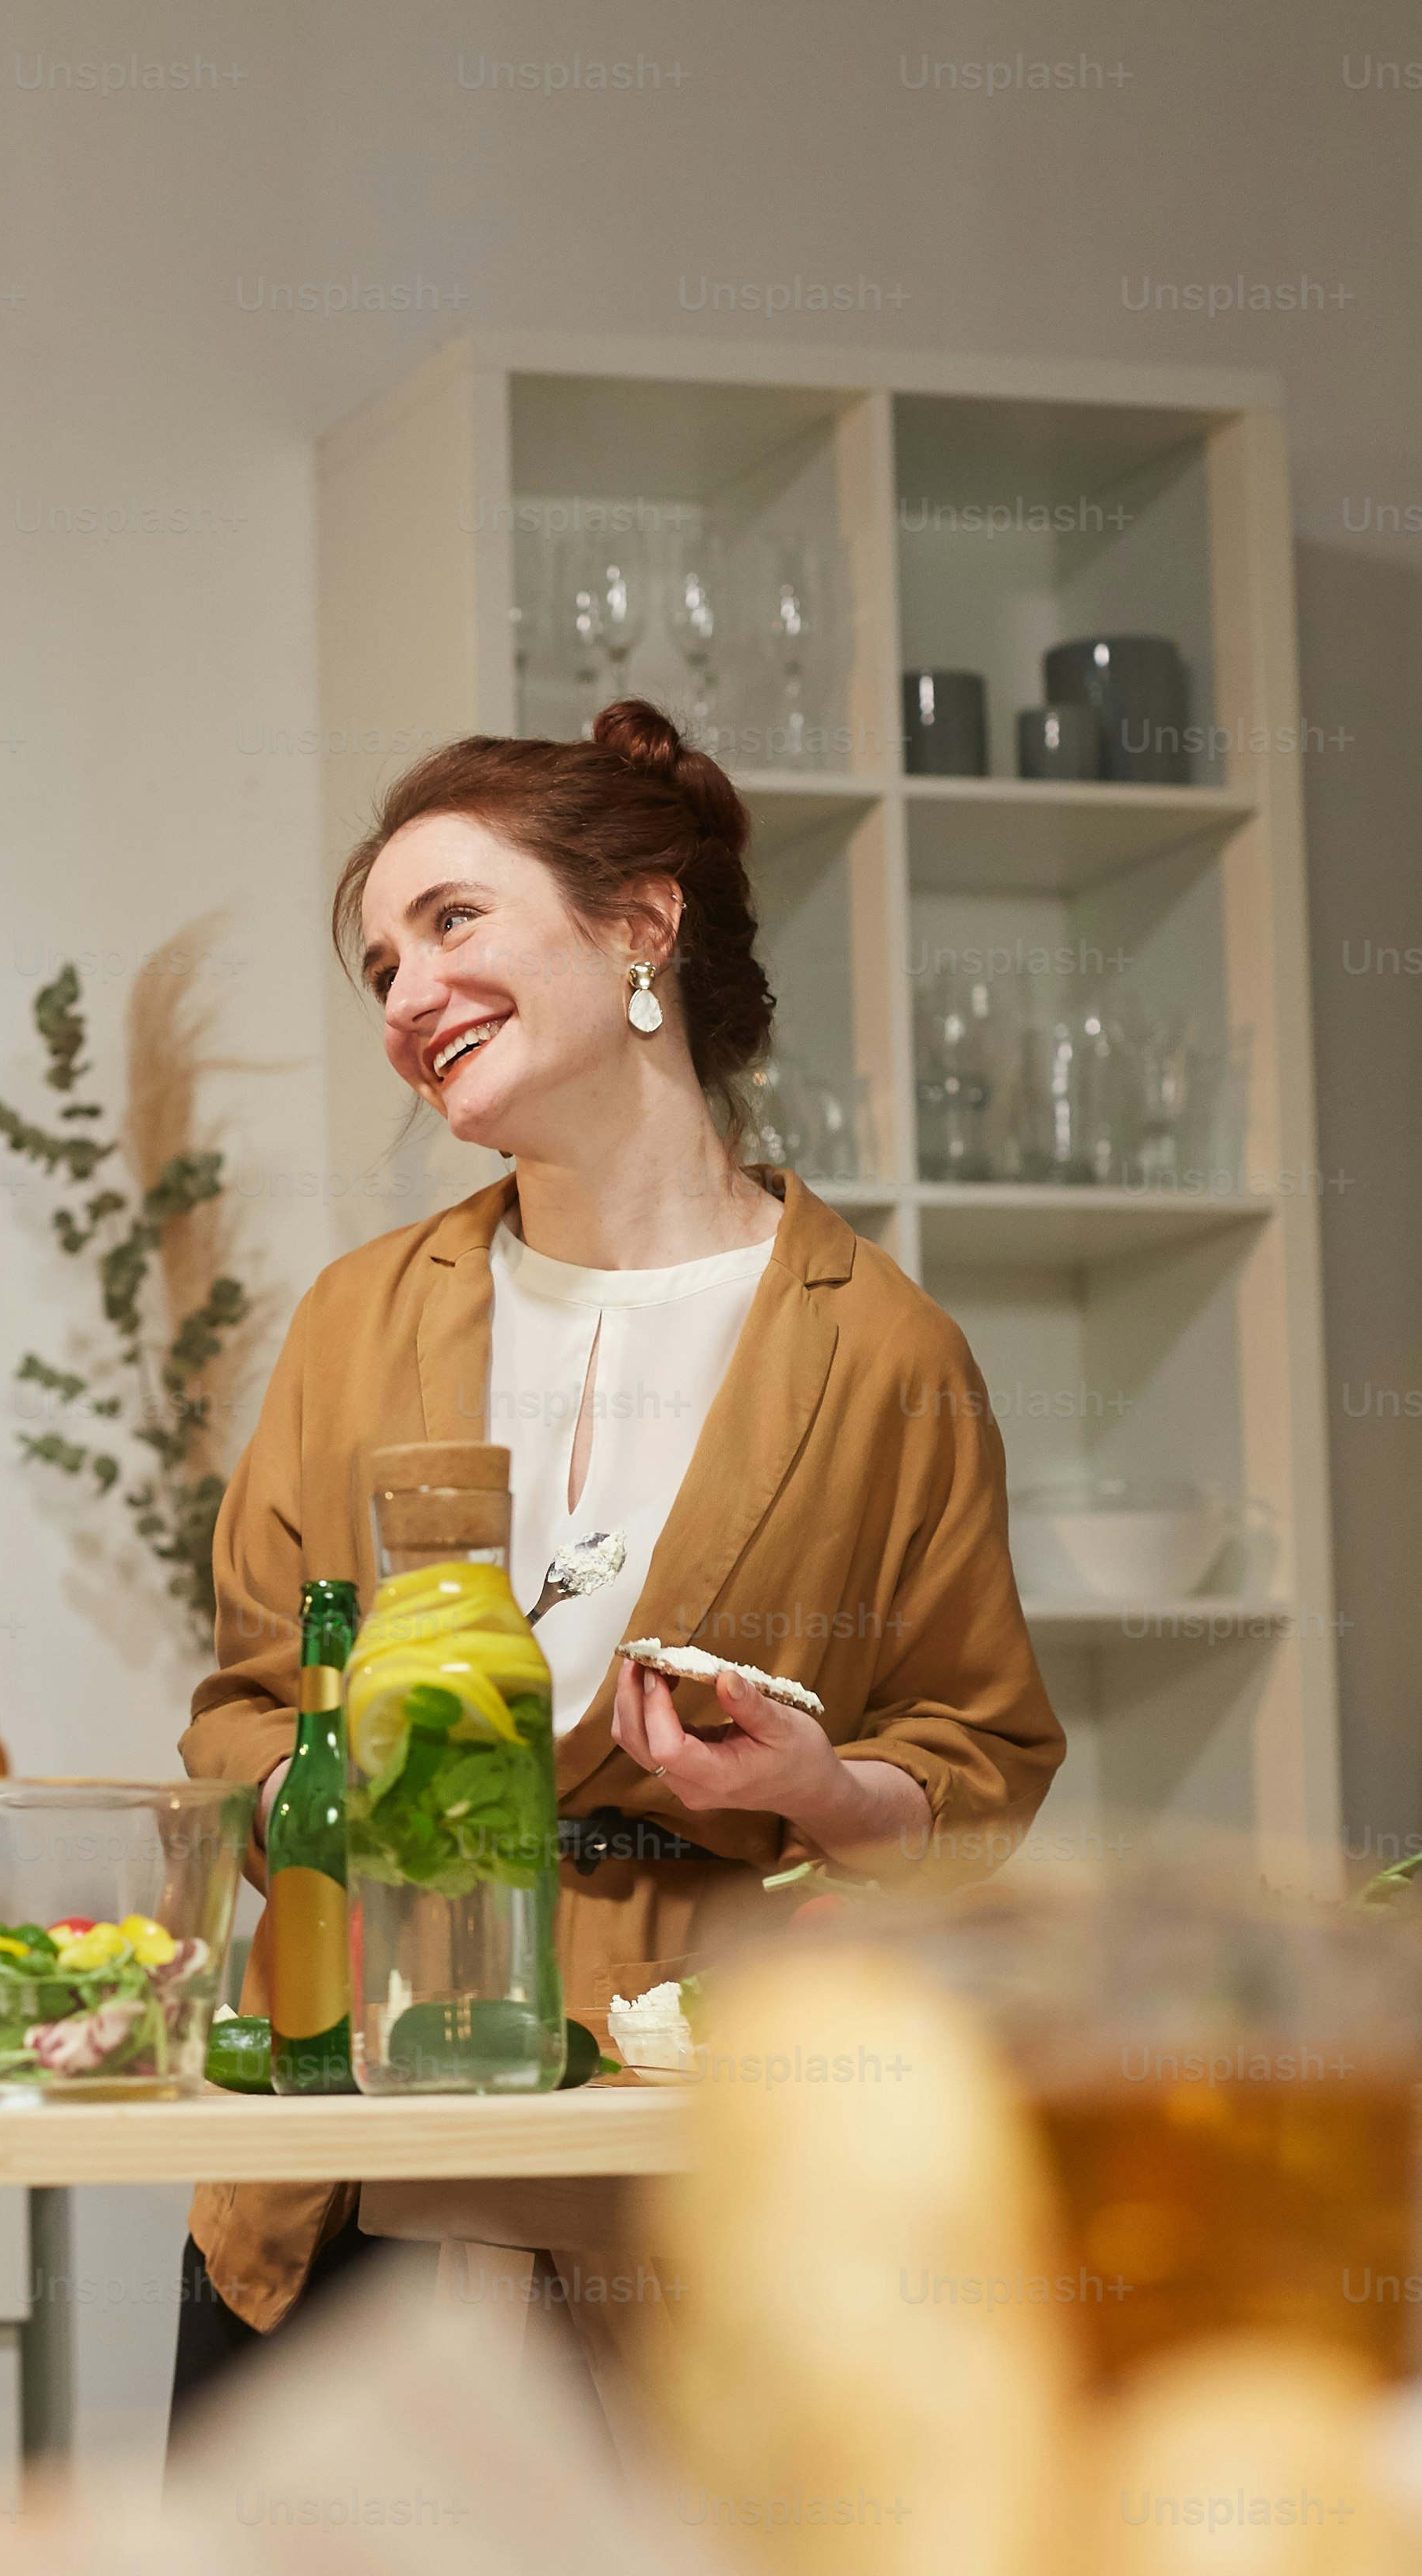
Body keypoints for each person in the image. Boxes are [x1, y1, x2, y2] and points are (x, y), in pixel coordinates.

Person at [172, 699, 1060, 2401]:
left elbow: (980, 1767)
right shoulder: (357, 1319)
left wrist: (808, 1791)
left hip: (702, 2172)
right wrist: (350, 1787)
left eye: (449, 922)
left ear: (641, 924)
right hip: (355, 2156)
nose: (405, 998)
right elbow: (239, 1717)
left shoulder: (883, 1352)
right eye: (377, 968)